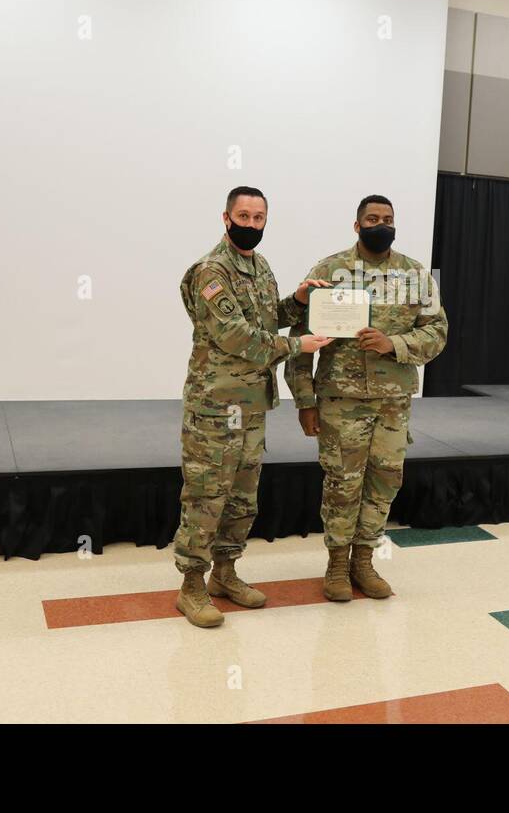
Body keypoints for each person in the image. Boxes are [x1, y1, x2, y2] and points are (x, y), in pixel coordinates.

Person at [174, 186, 332, 628]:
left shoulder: (259, 266)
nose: (251, 224)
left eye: (259, 217)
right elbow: (237, 336)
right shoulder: (210, 272)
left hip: (252, 405)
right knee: (207, 495)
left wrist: (298, 301)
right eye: (243, 216)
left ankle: (225, 573)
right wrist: (296, 344)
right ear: (226, 218)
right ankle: (191, 585)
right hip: (215, 406)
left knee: (243, 496)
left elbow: (263, 318)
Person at [286, 195, 447, 602]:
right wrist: (305, 401)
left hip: (393, 400)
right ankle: (337, 564)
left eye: (388, 219)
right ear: (357, 226)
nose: (382, 224)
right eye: (373, 219)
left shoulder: (415, 275)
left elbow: (437, 333)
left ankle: (364, 560)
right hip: (342, 398)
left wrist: (392, 343)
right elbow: (298, 340)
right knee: (342, 483)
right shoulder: (329, 271)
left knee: (386, 480)